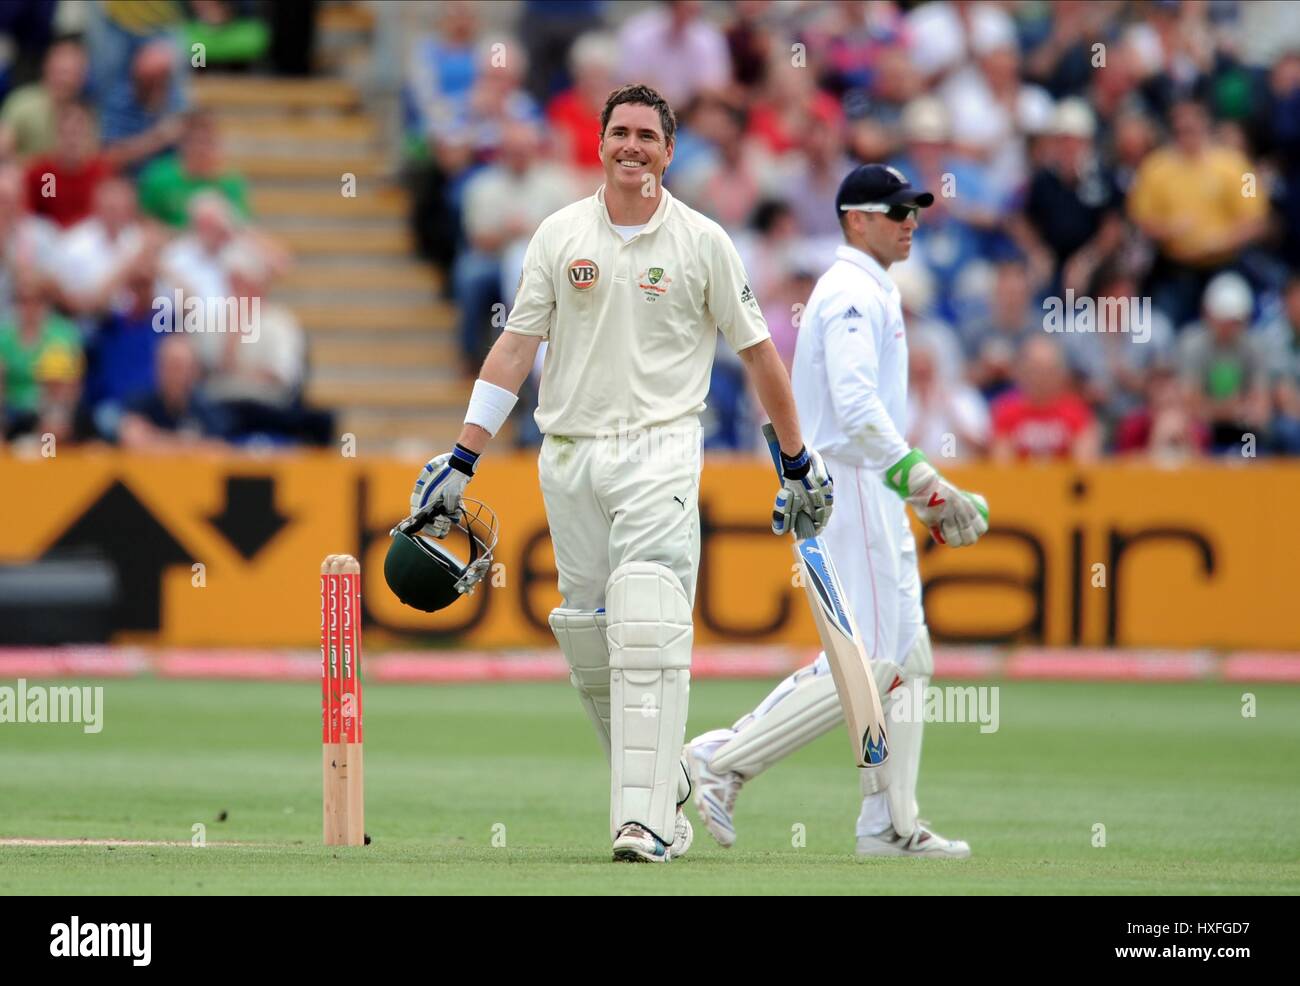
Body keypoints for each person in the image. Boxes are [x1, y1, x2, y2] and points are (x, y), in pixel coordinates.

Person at [403, 83, 832, 863]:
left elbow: (759, 352)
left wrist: (796, 459)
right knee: (586, 632)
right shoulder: (558, 234)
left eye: (647, 136)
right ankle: (665, 779)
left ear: (669, 152)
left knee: (646, 617)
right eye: (620, 133)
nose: (632, 146)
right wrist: (461, 455)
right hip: (567, 453)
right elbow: (513, 347)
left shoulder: (703, 242)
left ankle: (645, 825)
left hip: (660, 447)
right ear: (599, 144)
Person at [684, 164, 989, 858]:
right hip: (850, 478)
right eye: (897, 211)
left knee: (906, 655)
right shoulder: (851, 289)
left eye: (915, 210)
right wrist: (922, 478)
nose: (911, 221)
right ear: (857, 218)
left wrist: (912, 482)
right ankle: (723, 759)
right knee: (875, 657)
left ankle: (889, 823)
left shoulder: (869, 285)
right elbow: (853, 405)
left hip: (865, 480)